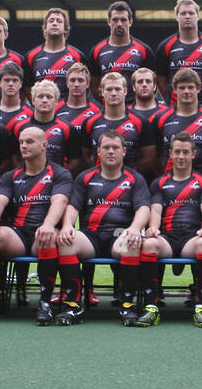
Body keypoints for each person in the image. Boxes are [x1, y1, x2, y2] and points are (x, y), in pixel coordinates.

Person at [0, 125, 74, 325]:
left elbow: (60, 201)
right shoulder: (11, 176)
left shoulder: (60, 174)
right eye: (21, 142)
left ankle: (45, 303)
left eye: (29, 142)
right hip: (19, 234)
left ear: (44, 145)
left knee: (48, 238)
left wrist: (48, 225)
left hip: (43, 232)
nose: (24, 146)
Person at [59, 130, 152, 325]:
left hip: (119, 234)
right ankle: (72, 305)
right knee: (67, 241)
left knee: (131, 243)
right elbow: (73, 206)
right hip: (91, 235)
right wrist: (67, 225)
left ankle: (127, 305)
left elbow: (143, 208)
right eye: (106, 148)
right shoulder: (85, 177)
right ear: (98, 152)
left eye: (115, 147)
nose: (111, 151)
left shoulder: (135, 179)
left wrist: (135, 228)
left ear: (124, 151)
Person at [141, 133, 202, 327]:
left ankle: (201, 306)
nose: (181, 156)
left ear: (193, 154)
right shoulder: (159, 182)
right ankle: (152, 306)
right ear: (170, 154)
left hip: (192, 238)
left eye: (185, 152)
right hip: (167, 237)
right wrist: (153, 229)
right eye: (177, 152)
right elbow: (156, 209)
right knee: (149, 244)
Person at [79, 71, 158, 172]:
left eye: (117, 89)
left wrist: (127, 175)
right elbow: (86, 157)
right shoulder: (90, 122)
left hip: (131, 182)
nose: (113, 93)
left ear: (125, 91)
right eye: (109, 89)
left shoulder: (141, 122)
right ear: (102, 92)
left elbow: (148, 159)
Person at [152, 68, 202, 178]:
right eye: (181, 88)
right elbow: (154, 156)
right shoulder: (161, 118)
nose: (186, 91)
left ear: (198, 89)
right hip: (168, 184)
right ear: (174, 89)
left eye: (190, 87)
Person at [154, 0, 202, 101]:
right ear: (177, 17)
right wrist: (171, 101)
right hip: (176, 107)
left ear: (198, 16)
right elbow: (161, 80)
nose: (187, 16)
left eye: (191, 13)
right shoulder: (165, 46)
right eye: (183, 13)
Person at [9, 80, 76, 169]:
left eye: (49, 97)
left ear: (56, 101)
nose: (44, 100)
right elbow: (15, 159)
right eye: (40, 96)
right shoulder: (19, 127)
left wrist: (58, 177)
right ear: (33, 100)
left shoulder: (67, 128)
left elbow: (75, 161)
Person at [89, 1, 152, 93]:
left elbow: (151, 83)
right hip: (107, 106)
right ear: (109, 21)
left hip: (135, 106)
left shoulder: (144, 50)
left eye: (123, 20)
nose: (119, 24)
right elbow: (94, 86)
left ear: (130, 22)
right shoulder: (97, 51)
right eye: (115, 20)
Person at [25, 7, 85, 98]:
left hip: (69, 110)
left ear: (65, 28)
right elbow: (28, 88)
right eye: (51, 21)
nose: (54, 23)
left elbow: (86, 87)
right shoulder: (31, 56)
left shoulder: (78, 56)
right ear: (45, 28)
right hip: (42, 109)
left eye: (59, 21)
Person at [0, 61, 32, 132]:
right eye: (7, 80)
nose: (10, 84)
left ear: (21, 84)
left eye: (15, 80)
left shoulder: (32, 114)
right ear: (0, 83)